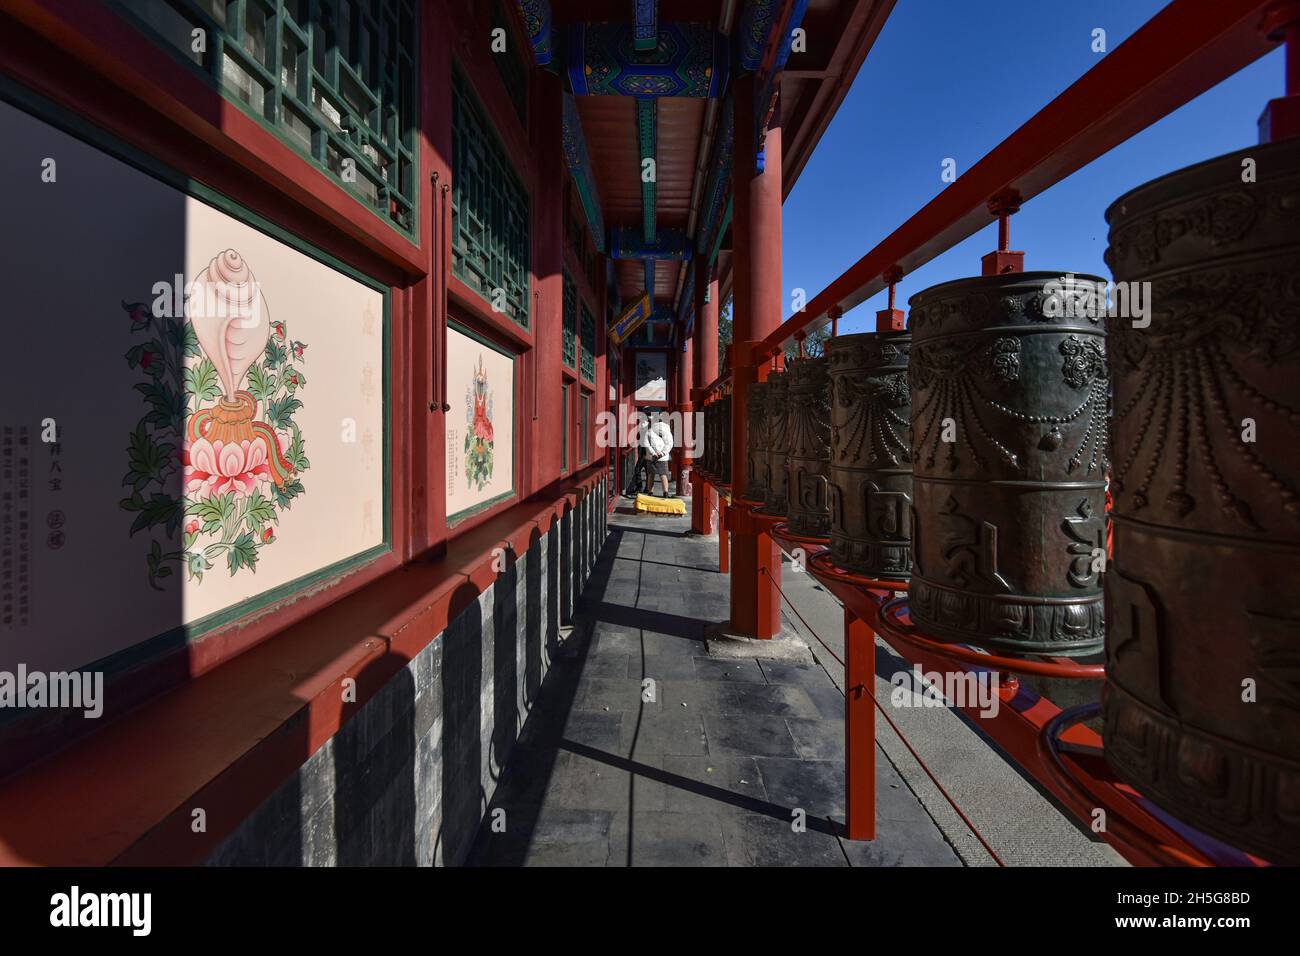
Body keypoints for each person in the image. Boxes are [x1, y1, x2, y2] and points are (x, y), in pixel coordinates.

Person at [645, 410, 675, 497]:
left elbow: (646, 444)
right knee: (663, 474)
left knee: (651, 474)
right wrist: (662, 453)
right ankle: (665, 493)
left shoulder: (649, 430)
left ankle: (650, 492)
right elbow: (669, 444)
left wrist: (653, 453)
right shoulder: (667, 430)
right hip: (663, 457)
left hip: (651, 456)